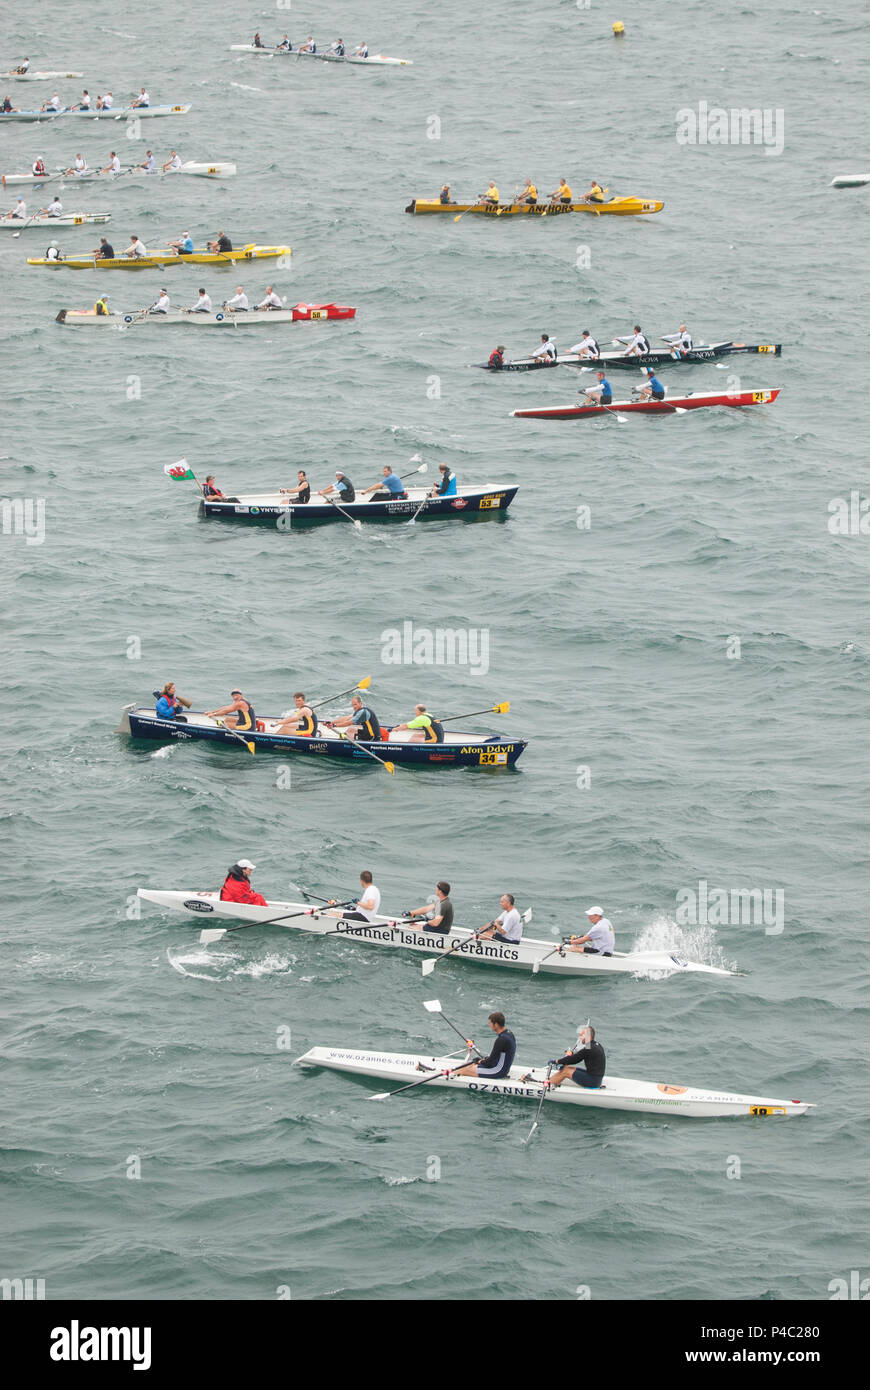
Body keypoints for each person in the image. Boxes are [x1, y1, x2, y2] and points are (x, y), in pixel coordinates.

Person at [453, 1012, 516, 1080]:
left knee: (463, 1070)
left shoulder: (501, 1040)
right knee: (471, 1065)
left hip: (498, 1071)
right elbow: (495, 1058)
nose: (489, 1025)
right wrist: (482, 1060)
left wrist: (480, 1061)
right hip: (503, 1068)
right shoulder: (509, 1033)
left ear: (496, 1024)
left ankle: (448, 1077)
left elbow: (489, 1062)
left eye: (490, 1023)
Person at [548, 1024, 606, 1090]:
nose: (580, 1037)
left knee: (565, 1071)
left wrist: (555, 1061)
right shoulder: (596, 1045)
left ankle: (547, 1084)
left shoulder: (589, 1049)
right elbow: (579, 1055)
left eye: (581, 1035)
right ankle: (554, 1081)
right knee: (567, 1067)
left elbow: (573, 1059)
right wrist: (571, 1054)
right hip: (596, 1078)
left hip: (593, 1082)